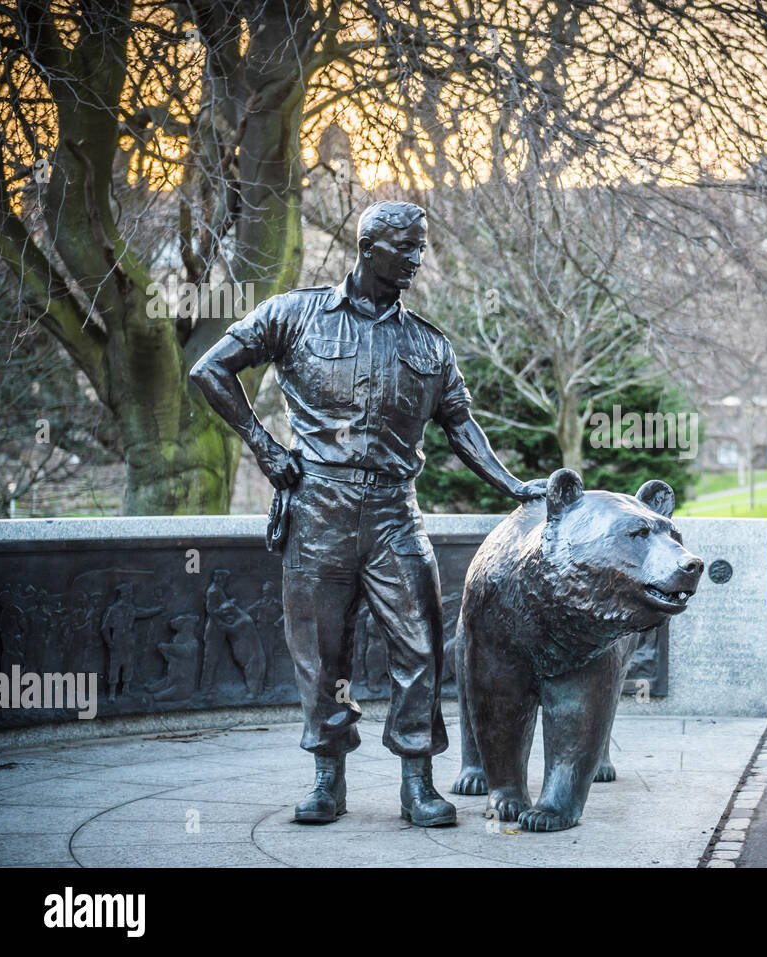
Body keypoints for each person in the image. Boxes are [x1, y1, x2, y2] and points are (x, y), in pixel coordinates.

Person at [191, 201, 547, 828]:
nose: (416, 259)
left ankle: (418, 782)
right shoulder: (292, 314)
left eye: (420, 247)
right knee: (321, 653)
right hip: (317, 509)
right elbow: (210, 369)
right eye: (405, 247)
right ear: (368, 247)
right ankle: (328, 780)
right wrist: (267, 448)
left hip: (393, 512)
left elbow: (460, 425)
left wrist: (515, 485)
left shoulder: (429, 343)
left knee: (420, 645)